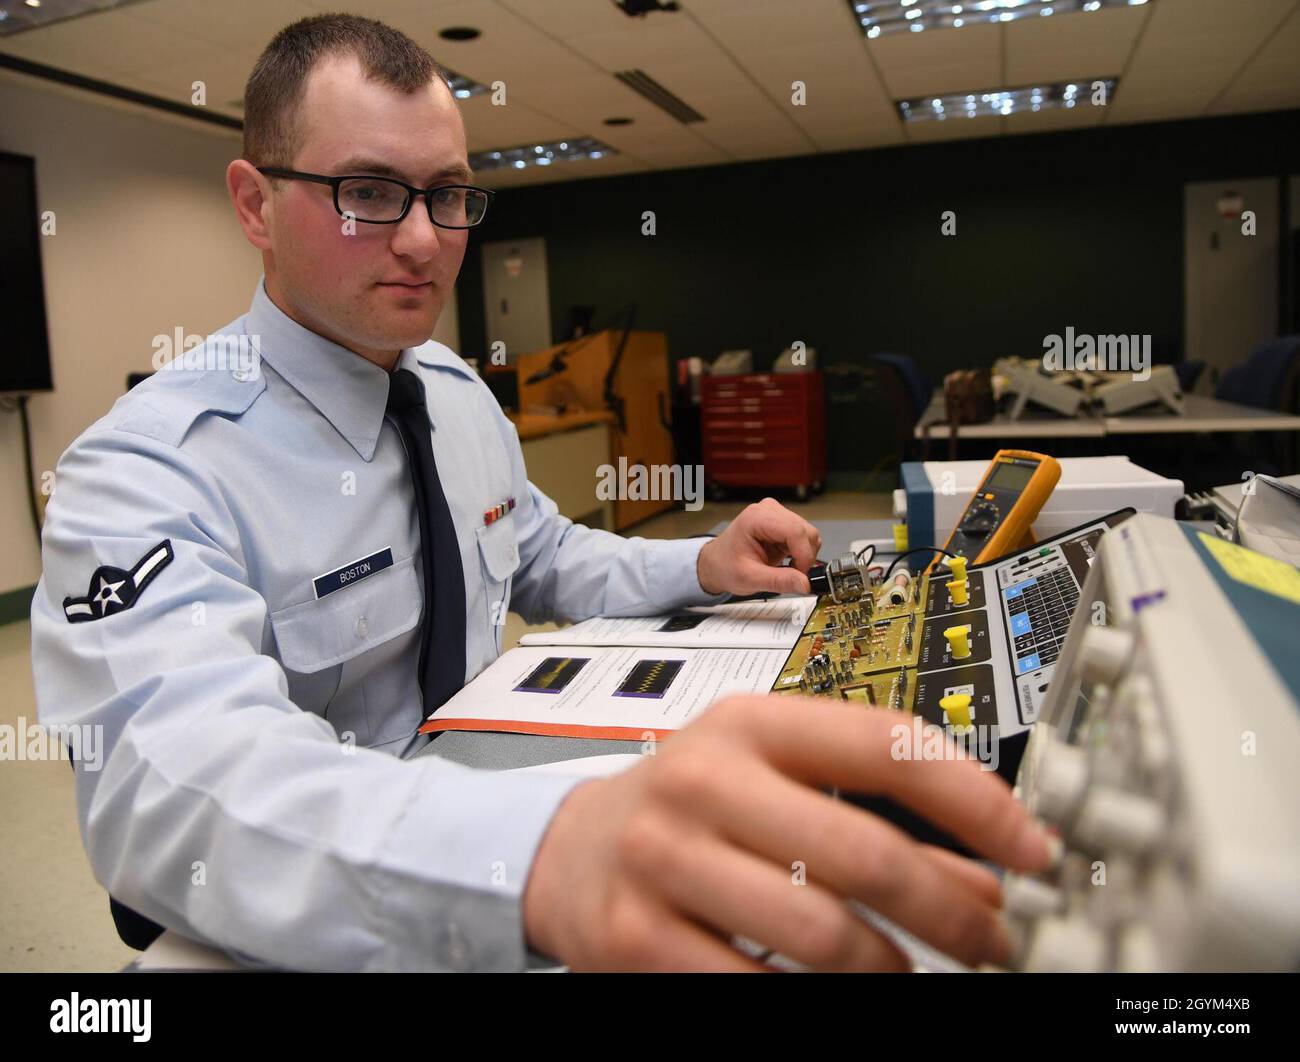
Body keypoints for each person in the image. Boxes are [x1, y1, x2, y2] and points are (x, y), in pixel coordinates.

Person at [30, 13, 1050, 972]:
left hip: (500, 805)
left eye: (448, 193)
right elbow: (170, 787)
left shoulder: (454, 390)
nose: (426, 240)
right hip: (328, 908)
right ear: (255, 203)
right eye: (370, 193)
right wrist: (538, 854)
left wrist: (701, 560)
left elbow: (546, 554)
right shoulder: (146, 468)